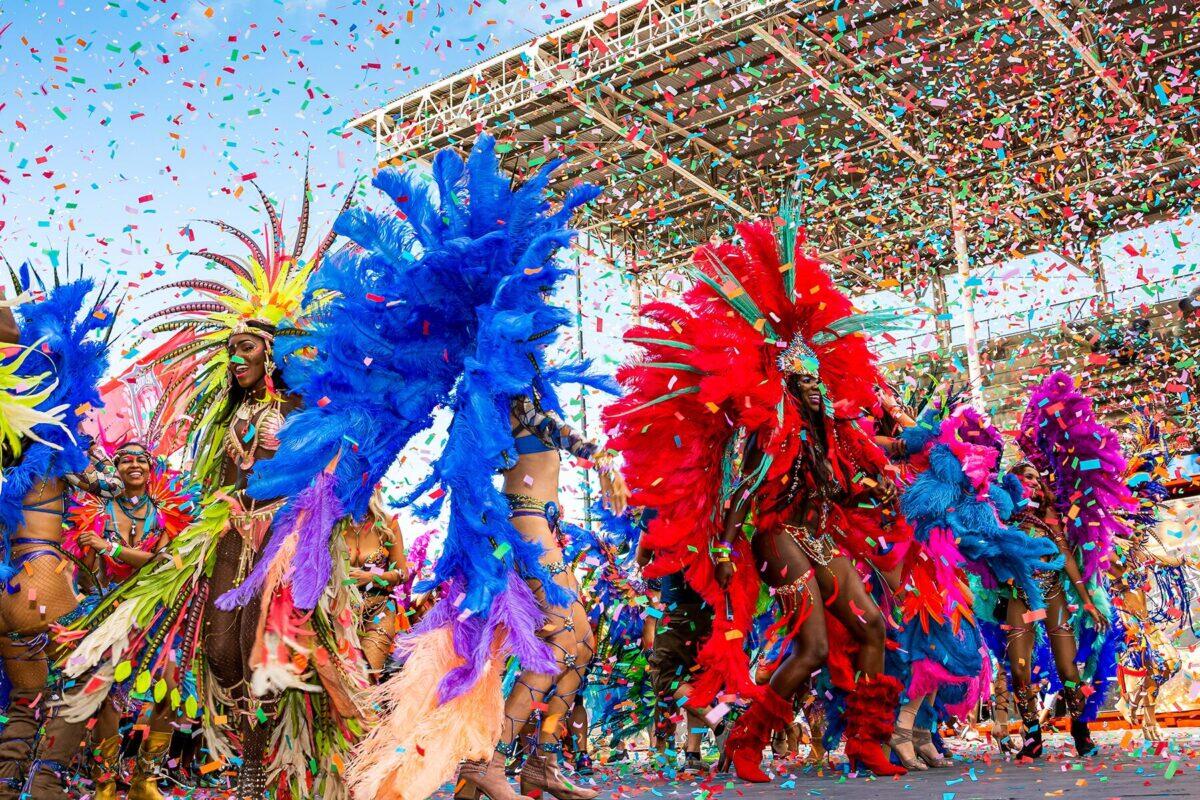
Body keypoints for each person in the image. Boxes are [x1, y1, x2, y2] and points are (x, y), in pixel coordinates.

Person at [214, 136, 622, 800]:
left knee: (581, 644)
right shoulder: (505, 375)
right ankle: (490, 759)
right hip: (527, 528)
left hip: (546, 521)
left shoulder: (526, 374)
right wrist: (590, 451)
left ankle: (533, 760)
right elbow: (521, 430)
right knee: (569, 640)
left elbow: (541, 424)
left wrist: (586, 452)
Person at [55, 182, 366, 800]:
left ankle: (260, 771)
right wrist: (217, 513)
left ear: (273, 350)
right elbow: (221, 481)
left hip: (284, 540)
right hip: (230, 536)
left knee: (271, 659)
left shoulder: (301, 405)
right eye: (227, 350)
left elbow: (333, 463)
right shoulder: (231, 417)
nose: (233, 359)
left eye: (245, 347)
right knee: (222, 653)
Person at [605, 220, 914, 782]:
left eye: (818, 368)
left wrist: (878, 483)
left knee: (871, 627)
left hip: (820, 535)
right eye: (803, 372)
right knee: (814, 647)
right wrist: (724, 546)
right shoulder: (765, 423)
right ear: (784, 375)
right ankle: (745, 741)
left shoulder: (832, 426)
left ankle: (869, 742)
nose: (814, 379)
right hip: (777, 536)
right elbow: (741, 487)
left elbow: (843, 481)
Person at [0, 268, 117, 799]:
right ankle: (37, 781)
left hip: (22, 577)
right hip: (34, 580)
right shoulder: (51, 438)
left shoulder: (32, 438)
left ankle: (12, 779)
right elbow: (98, 477)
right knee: (85, 666)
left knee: (29, 693)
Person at [51, 441, 196, 800]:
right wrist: (90, 571)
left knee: (170, 688)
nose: (133, 465)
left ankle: (145, 782)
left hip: (154, 611)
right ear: (115, 468)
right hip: (108, 614)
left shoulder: (168, 513)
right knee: (105, 698)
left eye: (140, 460)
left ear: (151, 468)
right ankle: (105, 784)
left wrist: (110, 547)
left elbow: (162, 562)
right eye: (125, 460)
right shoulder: (94, 512)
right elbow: (85, 570)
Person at [1006, 371, 1132, 760]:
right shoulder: (1001, 517)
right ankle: (1031, 735)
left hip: (1056, 593)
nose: (1030, 480)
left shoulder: (1053, 519)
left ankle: (1080, 730)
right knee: (1021, 668)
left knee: (1068, 668)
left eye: (1034, 476)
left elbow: (1069, 564)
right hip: (1018, 597)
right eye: (1021, 476)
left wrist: (1088, 601)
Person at [345, 487, 409, 677]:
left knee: (365, 679)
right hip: (341, 613)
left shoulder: (388, 525)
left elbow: (402, 573)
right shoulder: (335, 526)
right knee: (338, 682)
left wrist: (371, 577)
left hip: (378, 612)